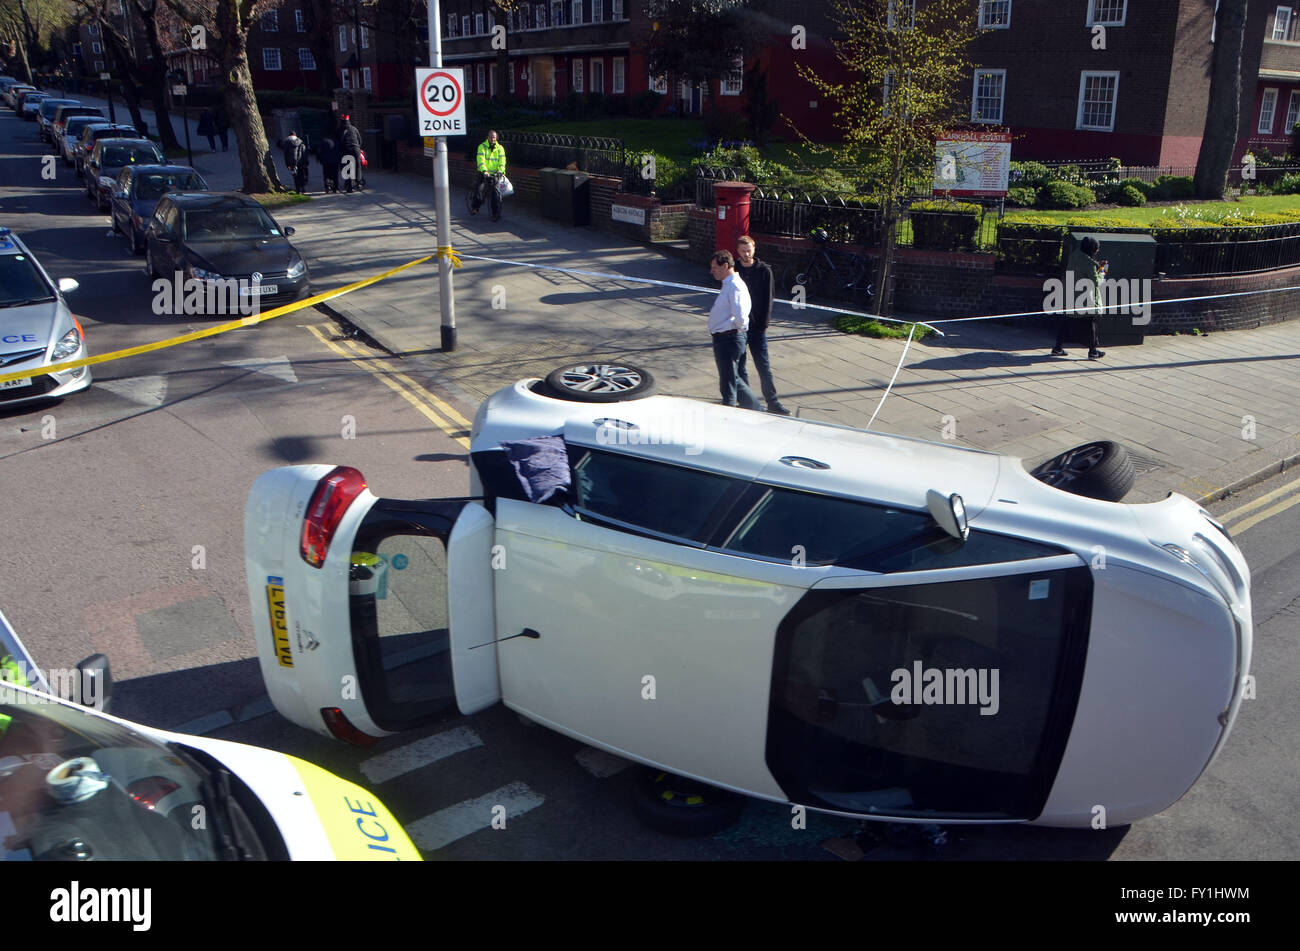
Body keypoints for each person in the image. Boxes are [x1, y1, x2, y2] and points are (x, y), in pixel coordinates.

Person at [734, 235, 791, 415]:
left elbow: (768, 299)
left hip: (757, 328)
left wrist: (763, 324)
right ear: (738, 251)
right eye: (743, 251)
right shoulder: (734, 269)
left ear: (754, 249)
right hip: (739, 327)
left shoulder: (764, 271)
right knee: (740, 366)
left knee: (763, 367)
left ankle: (772, 402)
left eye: (749, 250)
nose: (746, 254)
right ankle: (746, 401)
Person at [708, 250, 763, 410]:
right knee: (733, 380)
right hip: (726, 337)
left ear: (725, 266)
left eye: (714, 267)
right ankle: (755, 409)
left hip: (729, 338)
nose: (712, 271)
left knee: (729, 383)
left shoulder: (734, 286)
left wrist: (738, 332)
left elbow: (740, 315)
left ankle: (742, 411)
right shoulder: (729, 284)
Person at [1051, 235, 1106, 360]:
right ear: (1091, 249)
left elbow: (1082, 270)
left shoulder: (1074, 256)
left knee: (1066, 322)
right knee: (1091, 323)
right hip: (1085, 299)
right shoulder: (1089, 263)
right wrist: (1102, 270)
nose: (1097, 251)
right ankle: (1093, 351)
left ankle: (1057, 348)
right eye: (1096, 248)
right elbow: (1096, 282)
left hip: (1070, 296)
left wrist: (1096, 267)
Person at [471, 129, 506, 220]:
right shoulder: (482, 147)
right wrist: (484, 171)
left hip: (495, 174)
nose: (492, 139)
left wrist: (501, 171)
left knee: (495, 194)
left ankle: (495, 213)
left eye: (494, 137)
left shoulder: (500, 148)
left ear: (496, 138)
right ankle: (475, 207)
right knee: (479, 189)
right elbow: (480, 160)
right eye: (491, 137)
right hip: (483, 173)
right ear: (488, 137)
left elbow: (502, 161)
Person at [338, 114, 363, 193]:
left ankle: (349, 186)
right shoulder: (354, 128)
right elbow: (360, 140)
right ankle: (358, 183)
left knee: (347, 168)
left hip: (345, 150)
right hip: (355, 149)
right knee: (358, 166)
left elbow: (338, 142)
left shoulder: (339, 130)